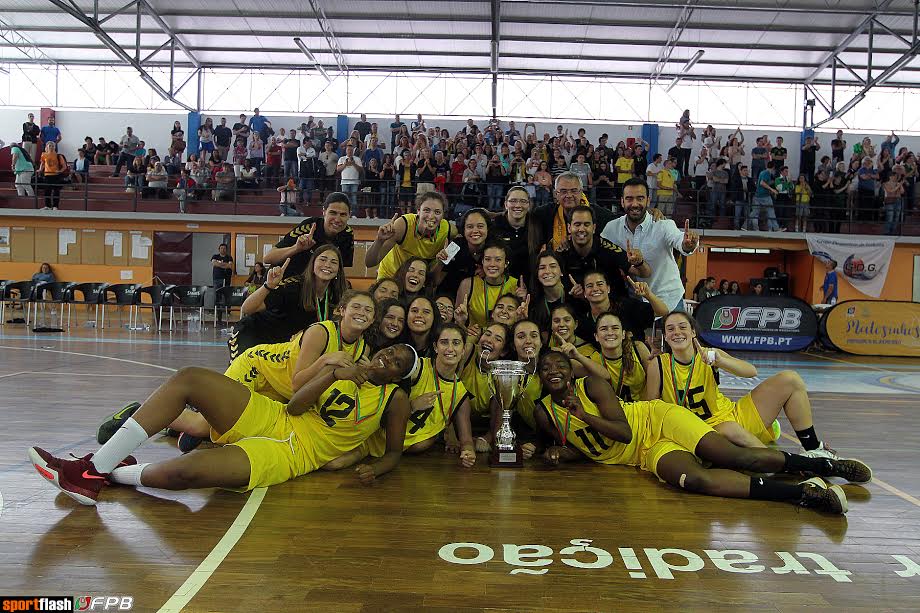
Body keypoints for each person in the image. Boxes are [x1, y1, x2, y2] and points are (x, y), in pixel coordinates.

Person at [29, 343, 417, 505]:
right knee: (191, 378)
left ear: (400, 375)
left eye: (398, 360)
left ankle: (110, 473)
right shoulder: (347, 363)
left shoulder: (393, 399)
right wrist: (333, 375)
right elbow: (296, 407)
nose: (388, 357)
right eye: (389, 350)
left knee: (188, 472)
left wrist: (375, 468)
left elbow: (396, 451)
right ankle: (91, 471)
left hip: (294, 452)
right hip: (279, 416)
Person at [534, 351, 869, 515]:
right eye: (546, 368)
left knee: (731, 455)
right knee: (697, 482)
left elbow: (620, 432)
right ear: (539, 375)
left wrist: (583, 416)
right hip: (643, 455)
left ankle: (824, 466)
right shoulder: (544, 411)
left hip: (656, 419)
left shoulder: (591, 386)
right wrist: (558, 454)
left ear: (570, 369)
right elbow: (581, 445)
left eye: (560, 365)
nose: (554, 371)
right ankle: (804, 495)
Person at [646, 311, 854, 459]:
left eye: (683, 327)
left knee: (790, 379)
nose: (677, 332)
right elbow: (651, 406)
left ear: (693, 333)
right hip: (703, 429)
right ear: (665, 336)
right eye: (670, 329)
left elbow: (750, 371)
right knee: (729, 432)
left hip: (732, 415)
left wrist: (721, 361)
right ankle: (781, 459)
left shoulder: (710, 355)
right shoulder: (658, 365)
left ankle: (813, 448)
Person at [229, 245, 347, 359]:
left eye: (334, 262)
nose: (327, 265)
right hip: (253, 335)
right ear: (312, 264)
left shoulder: (337, 295)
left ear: (338, 270)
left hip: (283, 347)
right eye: (323, 259)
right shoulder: (293, 286)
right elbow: (247, 308)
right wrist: (268, 285)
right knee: (239, 378)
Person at [602, 178, 699, 313]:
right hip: (635, 303)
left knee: (677, 335)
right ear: (622, 201)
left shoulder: (663, 225)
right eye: (629, 199)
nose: (634, 204)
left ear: (648, 200)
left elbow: (680, 241)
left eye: (640, 198)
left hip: (670, 301)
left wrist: (688, 244)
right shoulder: (611, 229)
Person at [365, 191, 456, 280]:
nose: (431, 216)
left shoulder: (450, 231)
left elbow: (434, 280)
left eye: (437, 212)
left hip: (417, 281)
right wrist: (379, 240)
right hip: (391, 277)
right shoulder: (402, 225)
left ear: (443, 215)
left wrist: (442, 262)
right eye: (426, 210)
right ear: (418, 211)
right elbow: (369, 263)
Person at [264, 192, 354, 279]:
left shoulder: (347, 234)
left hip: (310, 288)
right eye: (333, 213)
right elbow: (268, 258)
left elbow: (339, 270)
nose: (337, 219)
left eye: (343, 214)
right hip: (281, 282)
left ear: (349, 215)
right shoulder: (308, 227)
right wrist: (296, 248)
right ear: (324, 212)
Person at [533, 172, 615, 251]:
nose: (568, 195)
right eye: (563, 191)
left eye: (574, 191)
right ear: (556, 194)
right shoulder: (544, 213)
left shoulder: (602, 216)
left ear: (581, 192)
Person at [454, 242, 525, 329]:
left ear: (506, 263)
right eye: (488, 259)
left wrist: (522, 300)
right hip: (475, 338)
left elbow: (521, 323)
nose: (492, 264)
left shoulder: (516, 286)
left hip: (506, 338)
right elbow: (458, 321)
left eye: (498, 260)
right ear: (482, 262)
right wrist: (462, 325)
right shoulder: (467, 284)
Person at [587, 312, 650, 401]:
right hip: (612, 412)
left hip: (642, 409)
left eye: (615, 328)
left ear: (623, 334)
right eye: (604, 329)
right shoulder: (592, 360)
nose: (610, 333)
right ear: (596, 336)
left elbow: (654, 382)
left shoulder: (638, 349)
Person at [37, 142, 67, 210]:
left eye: (52, 146)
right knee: (47, 191)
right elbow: (42, 163)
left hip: (56, 175)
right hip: (47, 175)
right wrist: (40, 169)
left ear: (55, 147)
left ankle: (55, 206)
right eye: (49, 146)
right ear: (47, 147)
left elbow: (64, 166)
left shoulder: (58, 156)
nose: (51, 147)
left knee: (56, 191)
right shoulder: (44, 155)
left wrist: (60, 171)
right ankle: (48, 206)